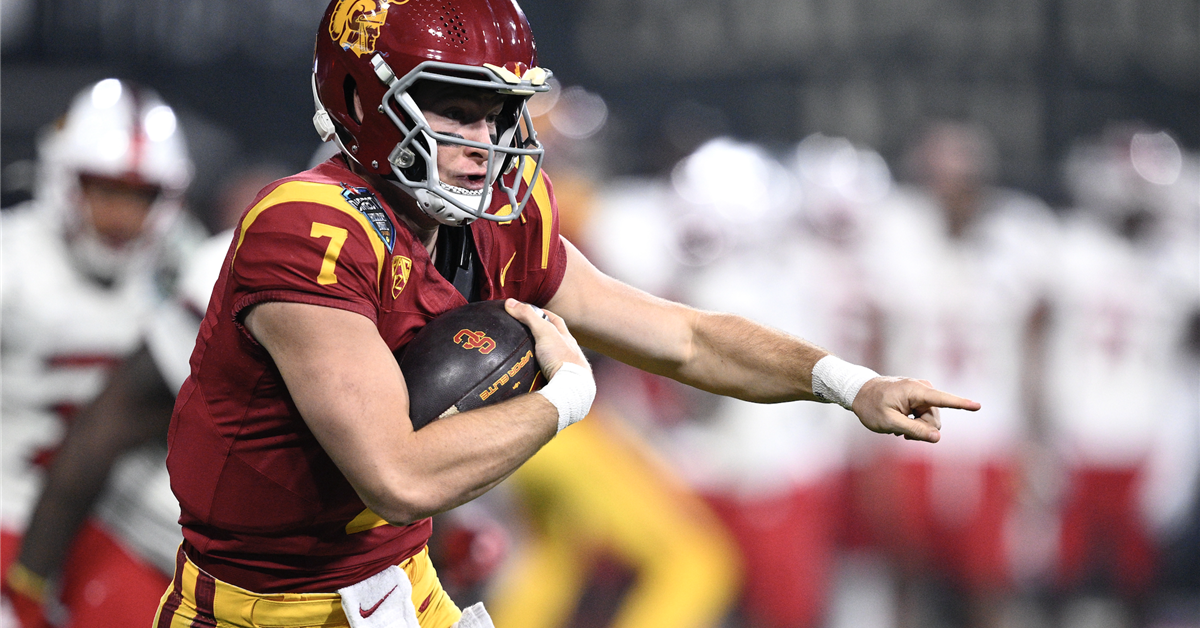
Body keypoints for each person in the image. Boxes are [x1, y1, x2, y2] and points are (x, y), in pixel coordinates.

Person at [155, 2, 980, 628]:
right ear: (360, 99)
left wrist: (848, 383)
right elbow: (397, 477)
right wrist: (562, 401)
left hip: (396, 585)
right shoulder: (311, 228)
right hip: (254, 606)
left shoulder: (501, 215)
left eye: (498, 111)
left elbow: (686, 339)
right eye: (455, 107)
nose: (487, 139)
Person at [0, 78, 202, 628]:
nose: (120, 216)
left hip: (112, 519)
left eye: (140, 197)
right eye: (105, 191)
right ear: (65, 182)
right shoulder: (12, 261)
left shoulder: (179, 270)